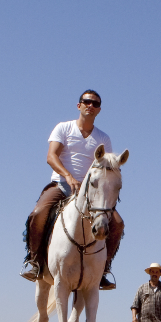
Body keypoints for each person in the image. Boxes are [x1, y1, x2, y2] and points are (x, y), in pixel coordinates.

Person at [21, 90, 125, 287]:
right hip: (62, 185)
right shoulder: (63, 128)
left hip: (91, 194)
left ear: (99, 110)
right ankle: (34, 261)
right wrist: (68, 176)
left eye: (95, 103)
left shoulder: (104, 138)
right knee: (39, 212)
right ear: (79, 105)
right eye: (86, 102)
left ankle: (103, 269)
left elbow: (107, 169)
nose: (90, 105)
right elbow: (51, 156)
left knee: (118, 224)